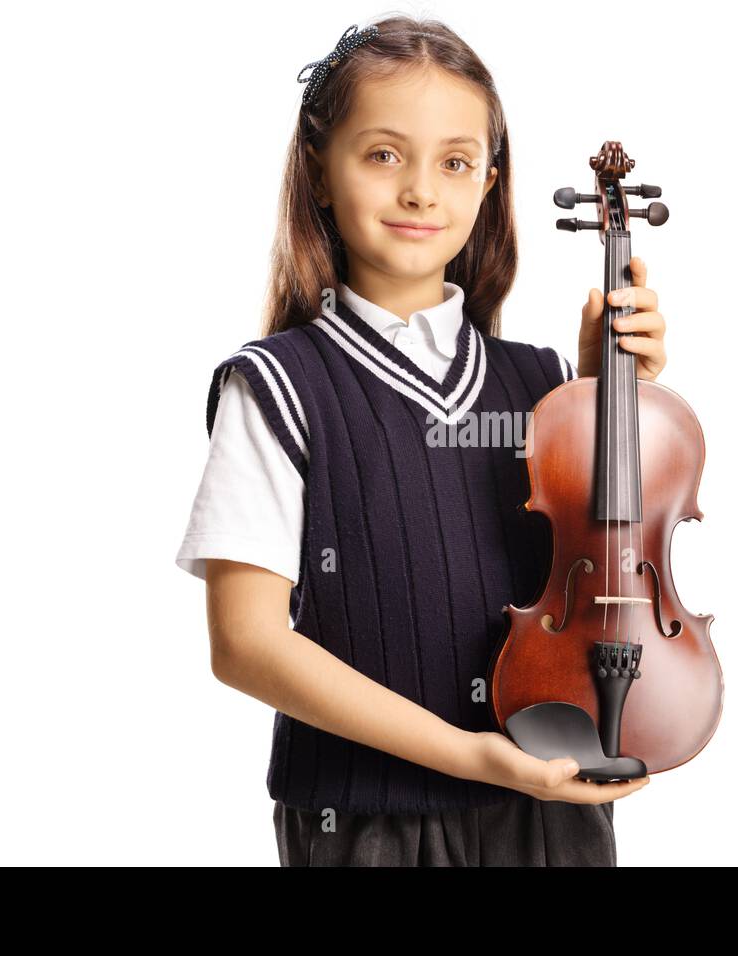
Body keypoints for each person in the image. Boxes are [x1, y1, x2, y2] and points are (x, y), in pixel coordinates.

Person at [175, 16, 670, 867]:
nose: (421, 192)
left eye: (454, 161)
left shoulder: (542, 378)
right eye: (383, 154)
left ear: (488, 183)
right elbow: (245, 642)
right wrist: (470, 755)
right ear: (320, 174)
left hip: (553, 812)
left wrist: (608, 405)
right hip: (365, 827)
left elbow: (598, 572)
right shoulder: (277, 386)